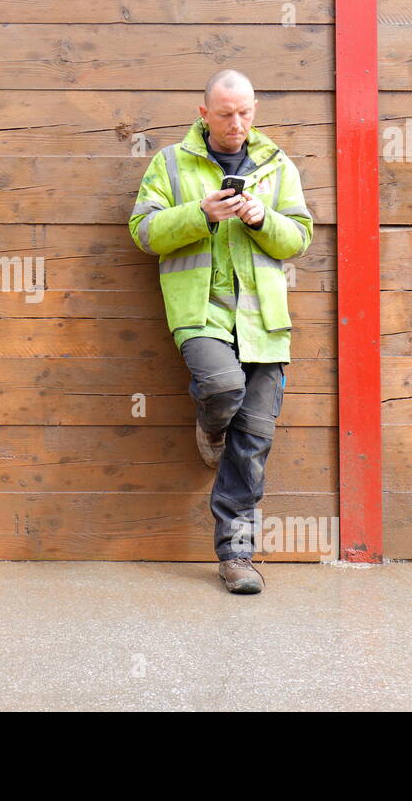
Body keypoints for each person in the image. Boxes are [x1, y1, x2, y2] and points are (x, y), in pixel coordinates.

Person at [128, 69, 315, 594]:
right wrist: (200, 214)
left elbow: (299, 237)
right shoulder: (169, 163)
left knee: (254, 440)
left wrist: (261, 220)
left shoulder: (277, 165)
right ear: (203, 112)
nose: (238, 123)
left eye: (246, 112)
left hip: (264, 322)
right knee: (221, 387)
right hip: (200, 312)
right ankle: (211, 428)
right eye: (227, 114)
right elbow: (143, 231)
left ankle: (236, 557)